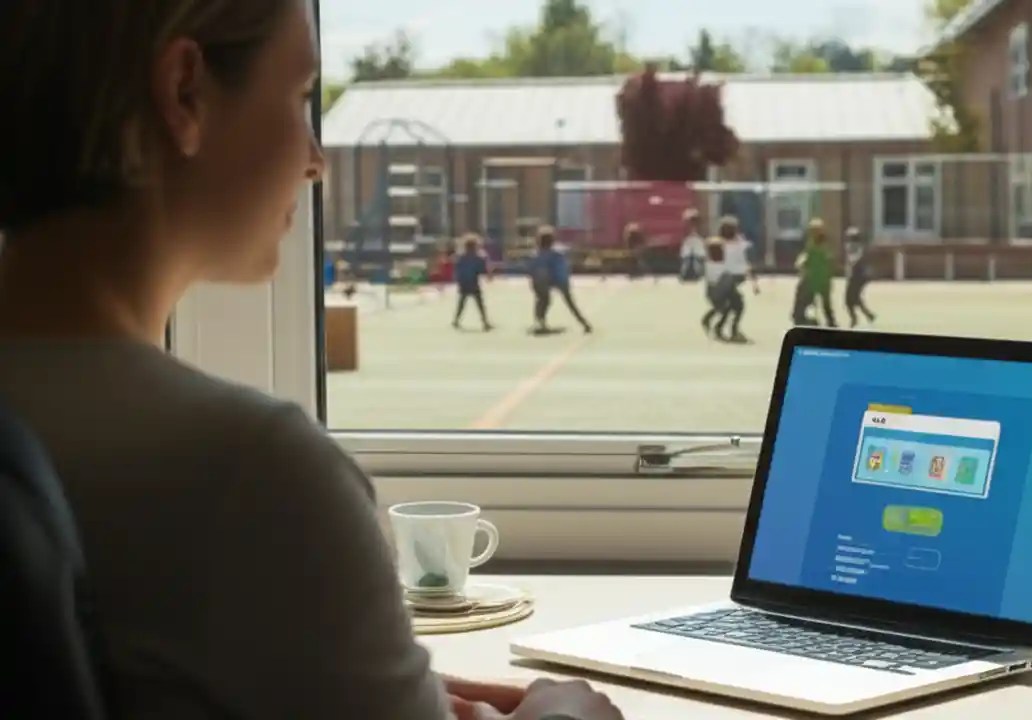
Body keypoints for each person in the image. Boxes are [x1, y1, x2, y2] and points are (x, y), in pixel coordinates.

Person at [0, 3, 621, 720]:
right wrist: (568, 715)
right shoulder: (251, 472)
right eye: (299, 97)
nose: (315, 161)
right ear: (184, 92)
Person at [529, 226, 593, 335]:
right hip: (559, 279)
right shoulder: (557, 252)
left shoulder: (537, 255)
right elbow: (569, 257)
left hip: (545, 280)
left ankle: (540, 320)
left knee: (543, 299)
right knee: (569, 302)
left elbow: (533, 271)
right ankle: (583, 322)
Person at [715, 216, 760, 343]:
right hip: (729, 280)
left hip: (722, 280)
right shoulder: (740, 244)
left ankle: (720, 327)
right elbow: (748, 263)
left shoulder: (719, 244)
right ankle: (733, 331)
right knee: (739, 305)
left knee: (731, 305)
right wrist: (754, 283)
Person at [792, 219, 837, 327]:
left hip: (820, 279)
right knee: (806, 299)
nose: (812, 233)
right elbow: (806, 257)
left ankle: (830, 322)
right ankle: (801, 317)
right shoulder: (812, 244)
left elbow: (829, 260)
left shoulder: (823, 245)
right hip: (813, 279)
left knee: (825, 303)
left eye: (814, 231)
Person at [453, 234, 494, 331]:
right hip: (473, 283)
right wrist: (488, 272)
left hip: (464, 282)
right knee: (479, 303)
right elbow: (483, 270)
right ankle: (485, 322)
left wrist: (457, 278)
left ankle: (456, 320)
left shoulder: (461, 257)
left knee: (462, 302)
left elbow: (457, 268)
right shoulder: (478, 258)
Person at [844, 227, 878, 328]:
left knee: (848, 299)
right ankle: (869, 315)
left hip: (856, 277)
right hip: (859, 277)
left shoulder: (854, 247)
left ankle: (854, 318)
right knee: (855, 297)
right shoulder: (858, 247)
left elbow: (853, 261)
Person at [700, 237, 731, 336]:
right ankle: (716, 326)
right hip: (717, 291)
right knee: (725, 308)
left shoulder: (707, 263)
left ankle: (708, 320)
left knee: (720, 308)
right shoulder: (722, 265)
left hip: (710, 291)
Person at [678, 208, 707, 283]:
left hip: (697, 248)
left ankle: (697, 272)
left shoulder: (700, 235)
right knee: (687, 260)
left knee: (697, 260)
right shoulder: (686, 237)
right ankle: (685, 273)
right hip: (689, 247)